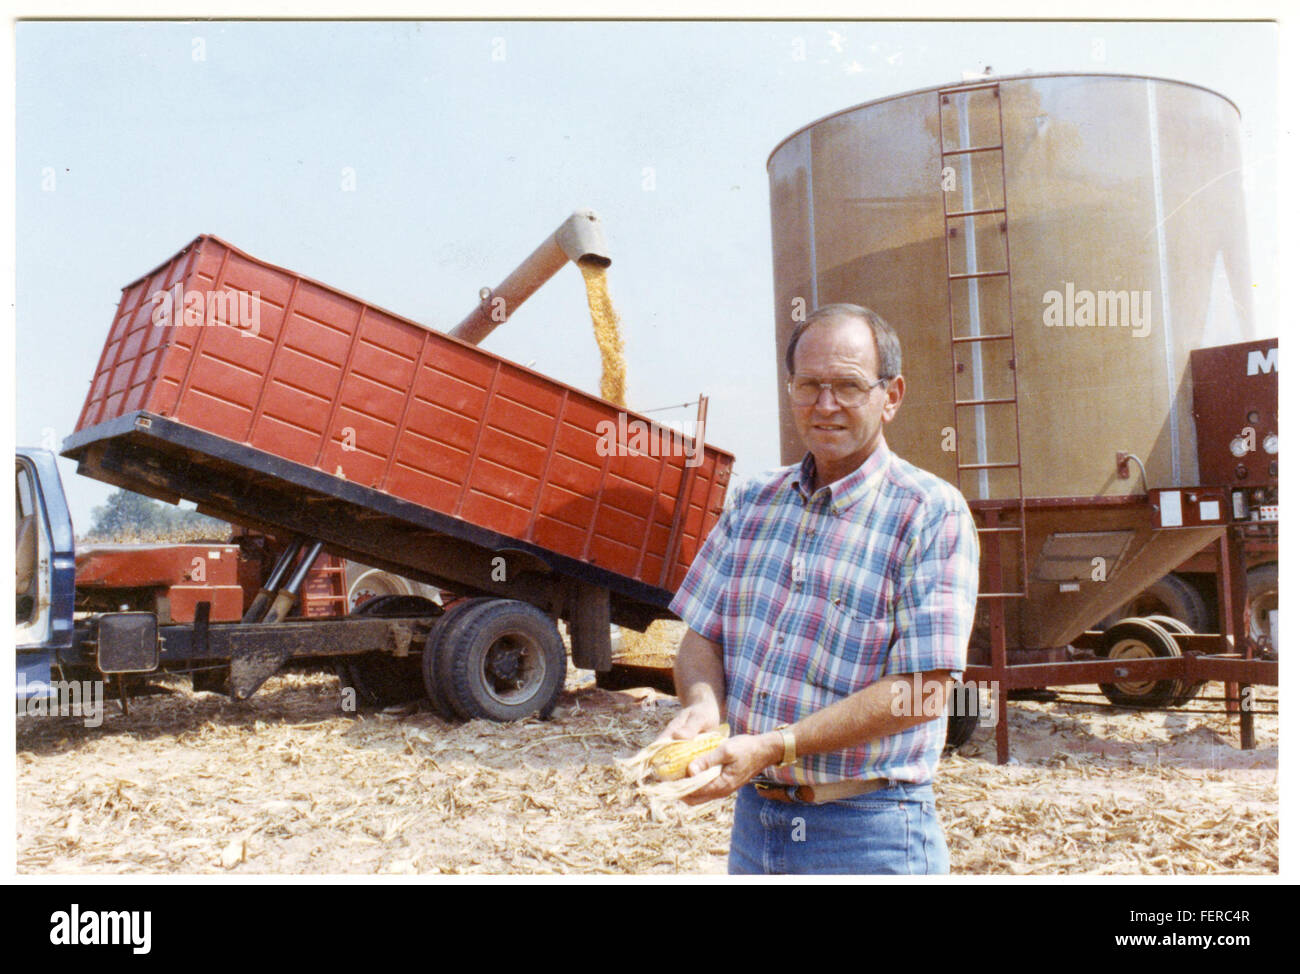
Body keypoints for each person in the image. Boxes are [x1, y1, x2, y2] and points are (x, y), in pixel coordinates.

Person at [661, 303, 980, 874]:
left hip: (868, 834)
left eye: (848, 387)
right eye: (809, 385)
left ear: (892, 395)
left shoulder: (928, 513)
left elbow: (926, 691)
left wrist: (774, 745)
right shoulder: (756, 502)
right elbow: (702, 635)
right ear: (790, 390)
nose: (825, 404)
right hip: (756, 824)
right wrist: (704, 705)